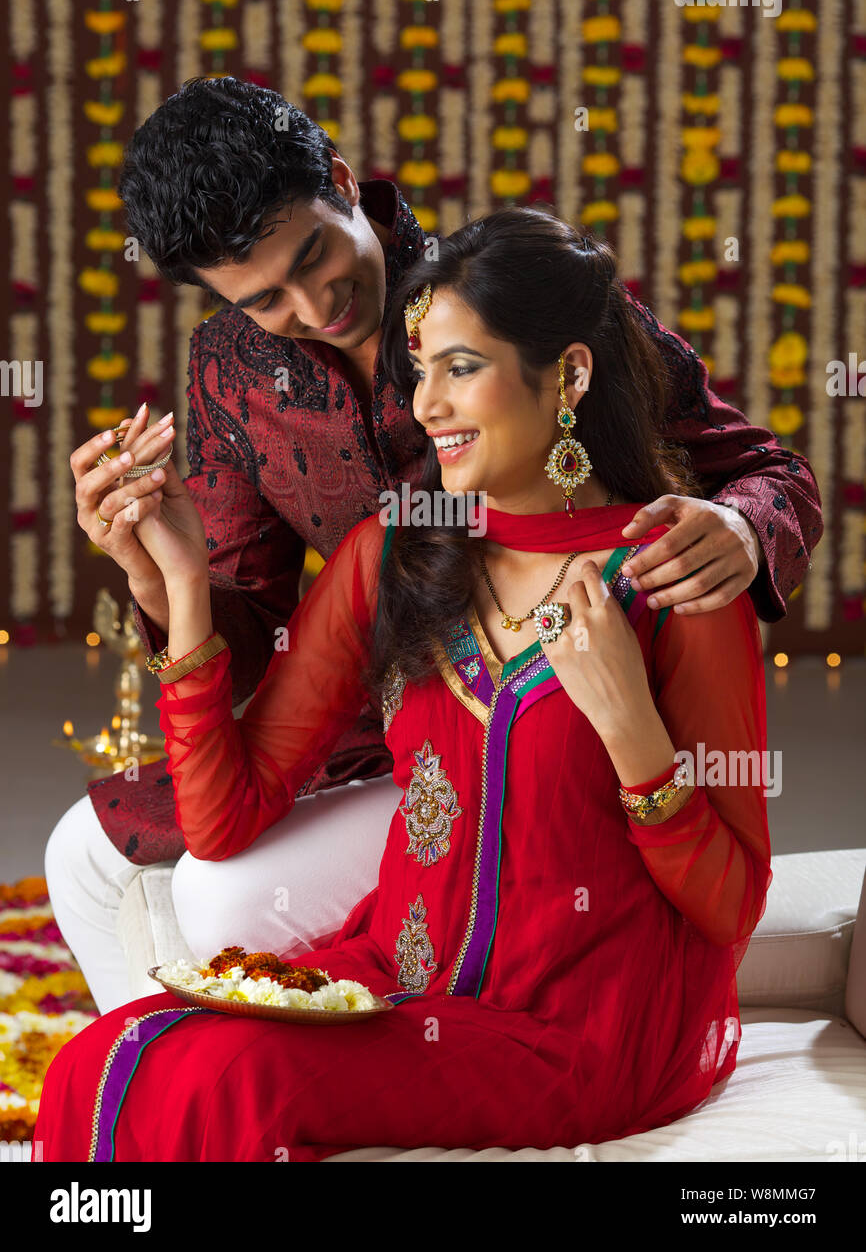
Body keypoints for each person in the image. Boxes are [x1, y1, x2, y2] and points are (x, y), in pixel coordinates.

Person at [49, 76, 821, 1016]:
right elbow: (248, 626)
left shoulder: (503, 293)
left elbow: (768, 470)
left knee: (222, 903)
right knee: (78, 855)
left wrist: (743, 522)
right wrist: (156, 573)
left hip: (547, 722)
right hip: (342, 726)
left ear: (339, 181)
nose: (312, 301)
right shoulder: (230, 370)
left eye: (315, 255)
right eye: (264, 299)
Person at [35, 210, 775, 1161]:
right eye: (420, 369)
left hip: (585, 1028)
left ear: (571, 376)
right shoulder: (395, 554)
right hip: (402, 979)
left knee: (234, 1082)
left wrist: (633, 733)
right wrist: (181, 584)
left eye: (461, 367)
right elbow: (222, 821)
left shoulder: (674, 576)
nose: (426, 405)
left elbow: (731, 904)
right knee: (96, 1061)